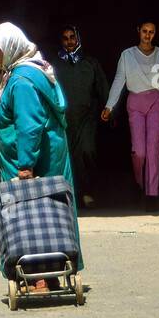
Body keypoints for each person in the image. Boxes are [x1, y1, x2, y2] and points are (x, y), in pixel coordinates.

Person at [0, 21, 82, 290]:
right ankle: (49, 273)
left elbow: (29, 125)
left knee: (33, 215)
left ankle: (40, 276)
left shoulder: (22, 81)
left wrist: (26, 166)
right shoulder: (28, 70)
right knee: (48, 215)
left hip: (34, 160)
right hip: (44, 154)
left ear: (10, 47)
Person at [101, 20, 159, 202]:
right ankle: (138, 180)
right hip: (135, 101)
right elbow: (119, 80)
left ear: (155, 33)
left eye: (151, 32)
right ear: (138, 31)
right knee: (139, 151)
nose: (147, 35)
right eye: (144, 31)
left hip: (156, 102)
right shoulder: (127, 55)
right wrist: (109, 106)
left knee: (153, 149)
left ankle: (152, 193)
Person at [54, 25, 108, 208]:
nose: (69, 41)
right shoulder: (54, 65)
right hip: (64, 119)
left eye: (72, 37)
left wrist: (109, 109)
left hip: (87, 118)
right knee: (67, 155)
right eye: (65, 38)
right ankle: (74, 194)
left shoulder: (90, 63)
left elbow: (102, 87)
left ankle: (88, 190)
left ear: (78, 39)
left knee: (87, 150)